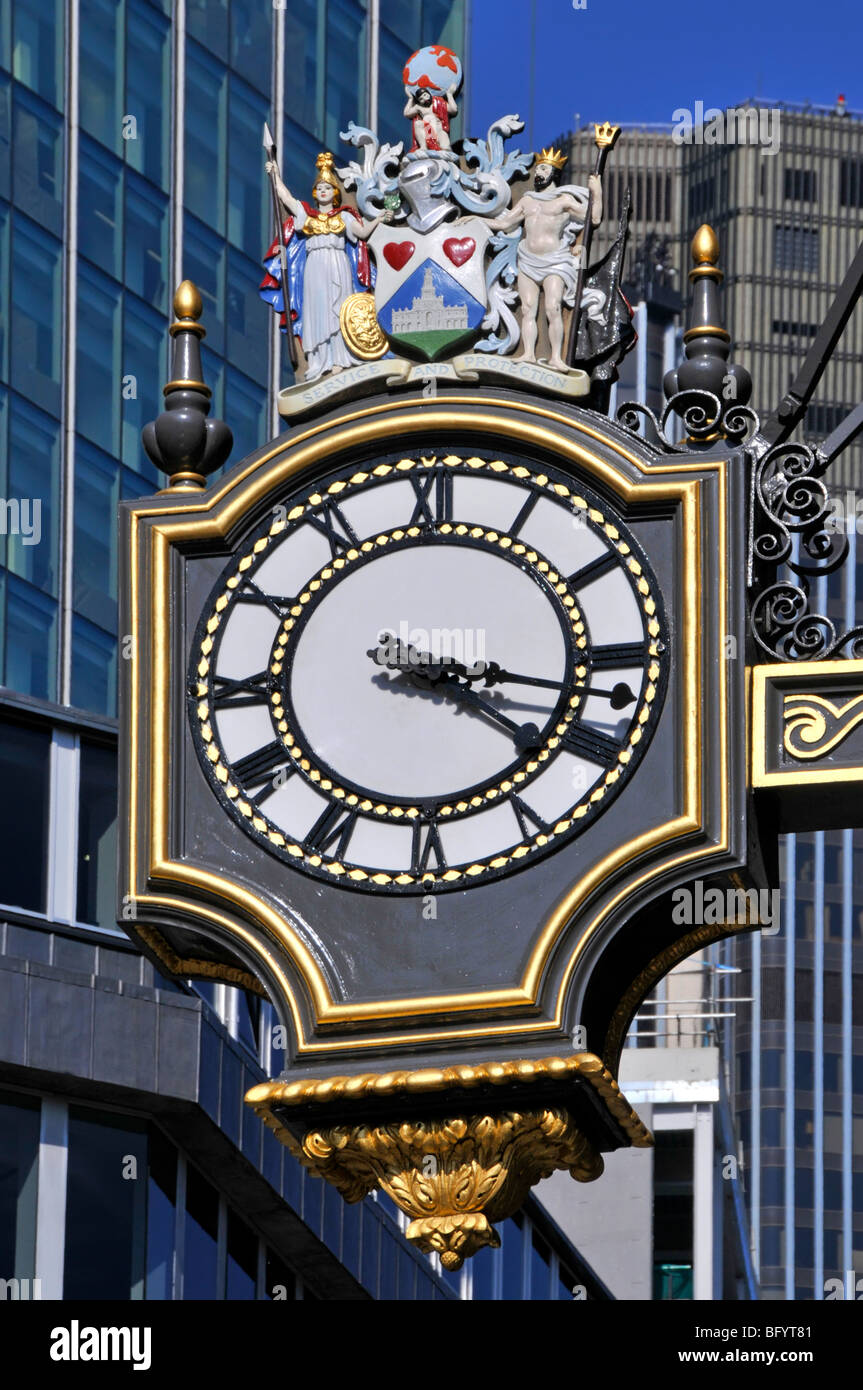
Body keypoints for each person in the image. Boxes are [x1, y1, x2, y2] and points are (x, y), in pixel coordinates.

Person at [261, 152, 389, 380]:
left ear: (335, 193)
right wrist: (276, 175)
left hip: (337, 264)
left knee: (338, 309)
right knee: (316, 309)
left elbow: (362, 233)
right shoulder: (306, 216)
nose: (323, 191)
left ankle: (340, 358)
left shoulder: (344, 217)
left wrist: (378, 218)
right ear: (315, 192)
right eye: (320, 187)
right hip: (314, 268)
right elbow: (287, 198)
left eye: (328, 188)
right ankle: (320, 360)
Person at [489, 148, 604, 373]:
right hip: (528, 259)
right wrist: (474, 219)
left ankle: (555, 358)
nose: (538, 173)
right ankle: (529, 354)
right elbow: (505, 224)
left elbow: (595, 218)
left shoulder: (563, 201)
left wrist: (597, 192)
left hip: (555, 261)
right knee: (528, 308)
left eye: (544, 169)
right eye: (538, 169)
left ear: (554, 173)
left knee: (553, 307)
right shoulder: (527, 201)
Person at [403, 84, 458, 153]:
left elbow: (453, 110)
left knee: (445, 148)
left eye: (425, 95)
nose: (424, 99)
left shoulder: (439, 102)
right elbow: (406, 113)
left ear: (429, 94)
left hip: (439, 131)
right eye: (421, 99)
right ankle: (423, 146)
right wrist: (411, 99)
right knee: (418, 123)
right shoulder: (419, 107)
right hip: (427, 132)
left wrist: (449, 94)